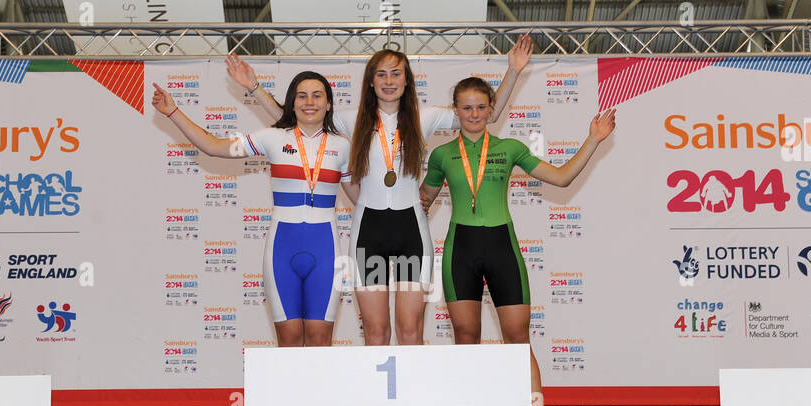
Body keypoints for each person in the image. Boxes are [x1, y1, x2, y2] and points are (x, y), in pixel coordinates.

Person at [224, 36, 532, 346]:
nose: (389, 81)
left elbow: (484, 115)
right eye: (381, 74)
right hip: (368, 233)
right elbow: (297, 117)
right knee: (376, 332)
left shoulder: (426, 117)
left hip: (412, 232)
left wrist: (513, 72)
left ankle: (409, 396)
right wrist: (254, 88)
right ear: (370, 82)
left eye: (396, 73)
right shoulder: (350, 119)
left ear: (407, 80)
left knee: (411, 331)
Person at [420, 77, 616, 406]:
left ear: (491, 109)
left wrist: (592, 139)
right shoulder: (442, 155)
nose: (474, 114)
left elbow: (561, 178)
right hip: (460, 247)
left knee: (518, 339)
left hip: (502, 247)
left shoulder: (509, 148)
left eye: (481, 106)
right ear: (455, 111)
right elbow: (423, 202)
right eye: (466, 107)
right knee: (465, 337)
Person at [151, 72, 355, 347]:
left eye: (317, 96)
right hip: (282, 250)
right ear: (292, 104)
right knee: (290, 341)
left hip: (326, 251)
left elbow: (359, 198)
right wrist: (173, 111)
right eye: (302, 96)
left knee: (320, 341)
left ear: (329, 104)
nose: (310, 102)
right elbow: (214, 147)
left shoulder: (342, 147)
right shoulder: (272, 137)